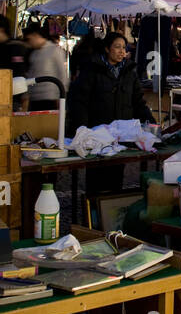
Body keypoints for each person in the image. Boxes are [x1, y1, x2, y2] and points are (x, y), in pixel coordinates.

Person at [66, 30, 154, 198]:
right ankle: (92, 215)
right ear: (107, 49)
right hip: (97, 134)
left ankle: (110, 212)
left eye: (124, 48)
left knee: (116, 178)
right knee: (96, 179)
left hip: (121, 136)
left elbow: (138, 102)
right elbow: (79, 102)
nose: (122, 51)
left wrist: (151, 123)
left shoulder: (129, 72)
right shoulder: (92, 70)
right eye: (117, 47)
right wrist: (82, 131)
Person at [23, 21, 69, 112]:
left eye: (30, 39)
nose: (29, 42)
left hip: (50, 98)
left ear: (36, 36)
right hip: (34, 99)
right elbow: (30, 75)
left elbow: (62, 74)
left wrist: (61, 97)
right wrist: (27, 94)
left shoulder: (54, 50)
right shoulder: (34, 53)